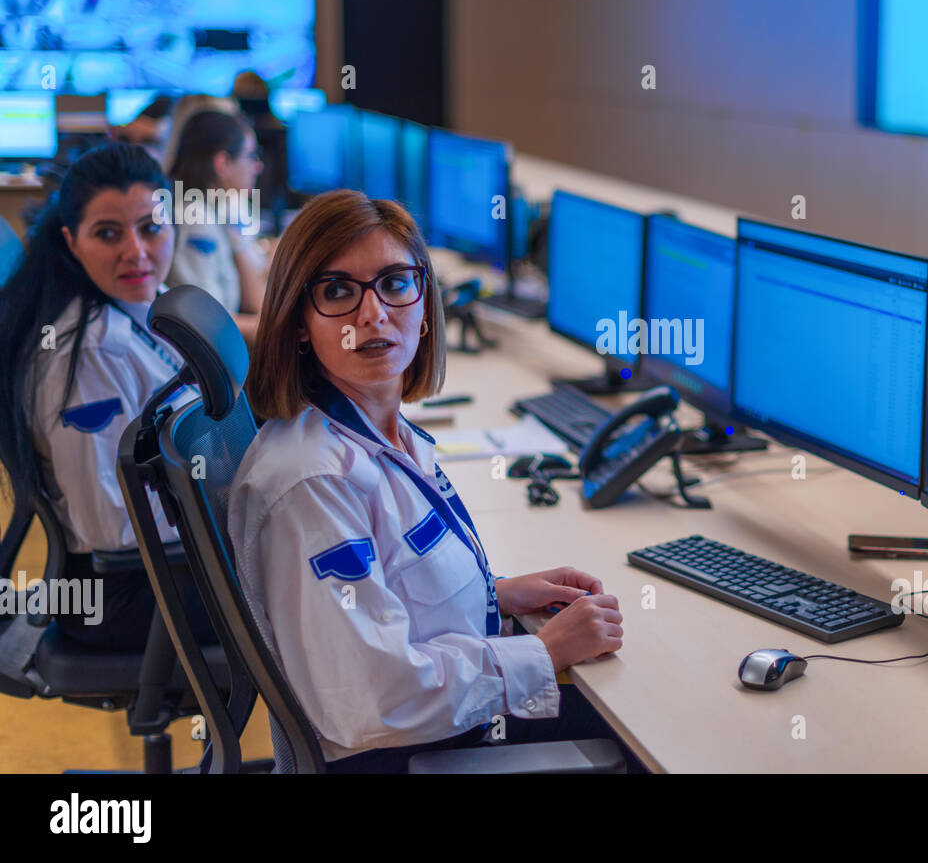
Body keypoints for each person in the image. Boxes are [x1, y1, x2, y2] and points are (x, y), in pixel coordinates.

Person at [228, 191, 628, 772]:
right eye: (338, 291)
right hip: (404, 753)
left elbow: (390, 583)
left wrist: (497, 592)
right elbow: (376, 698)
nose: (373, 314)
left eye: (394, 283)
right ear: (296, 324)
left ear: (424, 304)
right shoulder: (313, 482)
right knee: (655, 734)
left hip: (434, 729)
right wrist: (543, 650)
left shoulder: (377, 430)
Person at [0, 143, 215, 650]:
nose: (136, 252)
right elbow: (111, 526)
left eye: (151, 228)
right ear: (72, 241)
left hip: (161, 568)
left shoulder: (142, 308)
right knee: (311, 601)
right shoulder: (90, 354)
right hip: (123, 591)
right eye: (108, 234)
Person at [166, 110, 268, 343]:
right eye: (251, 155)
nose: (257, 166)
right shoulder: (195, 221)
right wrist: (284, 330)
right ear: (222, 163)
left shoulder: (213, 207)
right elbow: (207, 324)